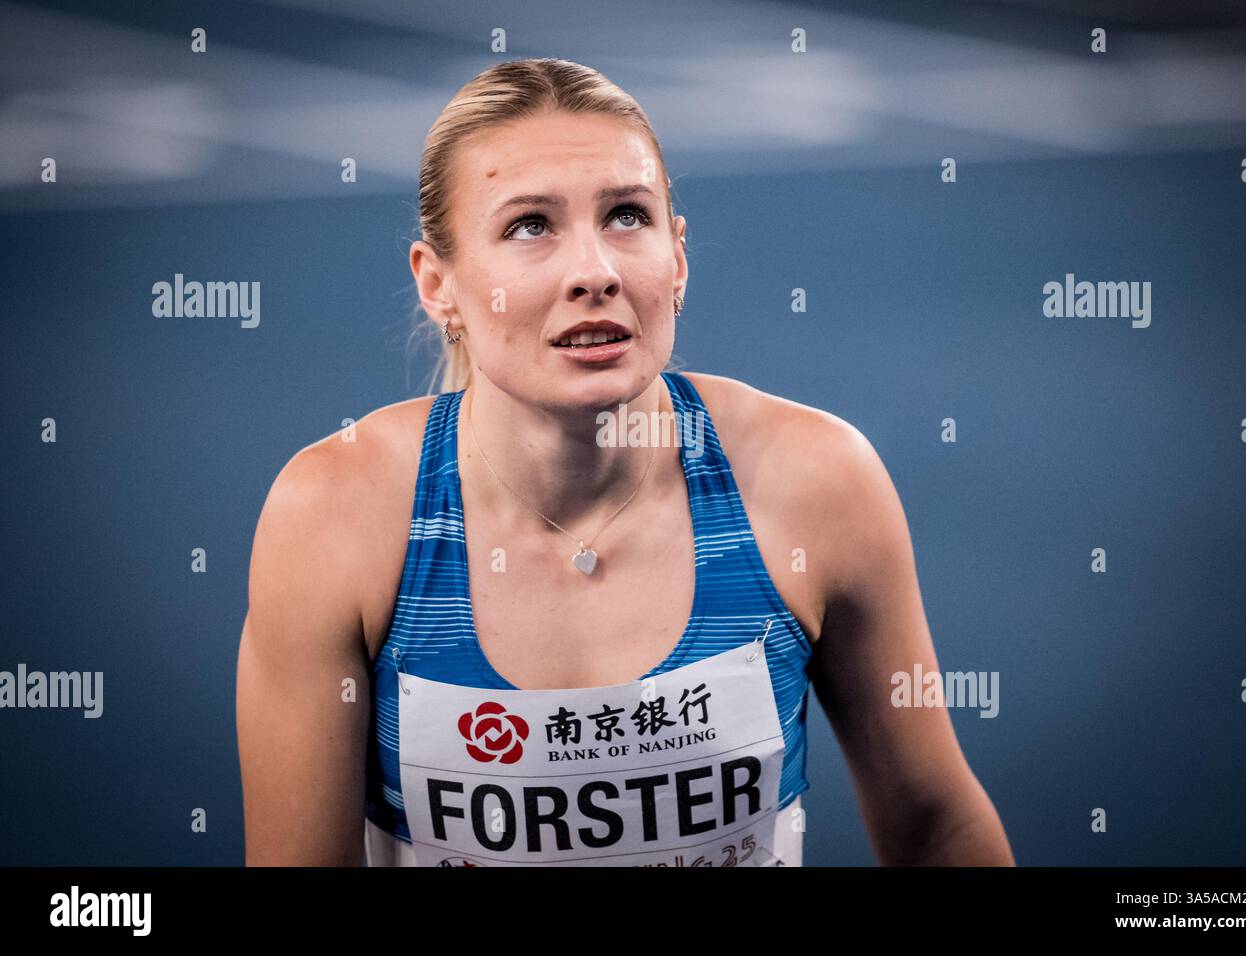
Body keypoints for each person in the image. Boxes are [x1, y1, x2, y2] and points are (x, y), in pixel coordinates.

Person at [235, 57, 1015, 867]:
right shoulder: (336, 517)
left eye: (627, 216)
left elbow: (937, 830)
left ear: (677, 259)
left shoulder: (814, 483)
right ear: (441, 286)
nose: (595, 273)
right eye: (530, 225)